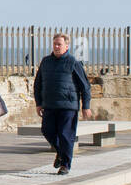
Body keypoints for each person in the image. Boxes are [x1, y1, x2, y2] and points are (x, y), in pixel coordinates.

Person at [33, 32, 93, 175]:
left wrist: (86, 106)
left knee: (66, 135)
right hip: (49, 105)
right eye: (55, 44)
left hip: (68, 106)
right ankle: (61, 153)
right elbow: (38, 84)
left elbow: (85, 86)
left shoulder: (73, 62)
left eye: (59, 44)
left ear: (67, 46)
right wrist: (39, 103)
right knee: (47, 131)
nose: (56, 46)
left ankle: (65, 164)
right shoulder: (46, 61)